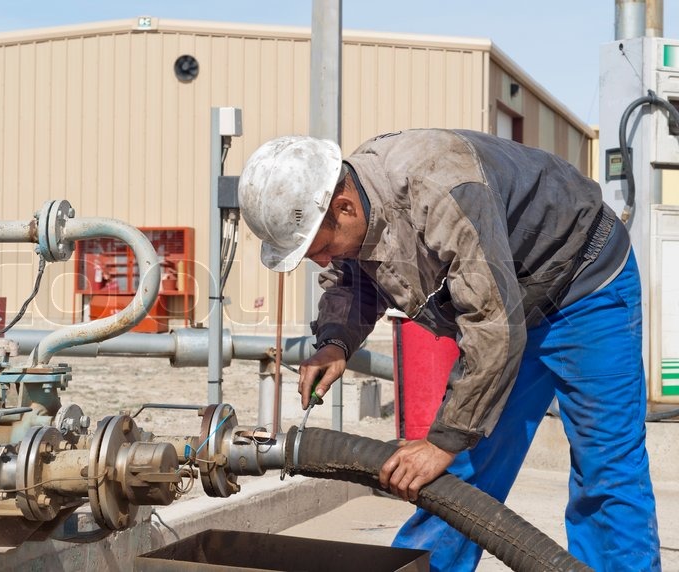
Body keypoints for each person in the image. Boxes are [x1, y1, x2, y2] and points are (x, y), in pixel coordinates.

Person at [237, 130, 661, 571]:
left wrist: (443, 442)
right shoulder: (357, 201)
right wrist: (335, 342)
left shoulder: (441, 192)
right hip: (509, 306)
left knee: (606, 465)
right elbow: (355, 278)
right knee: (457, 471)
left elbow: (492, 323)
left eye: (320, 247)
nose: (321, 261)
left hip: (585, 286)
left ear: (343, 209)